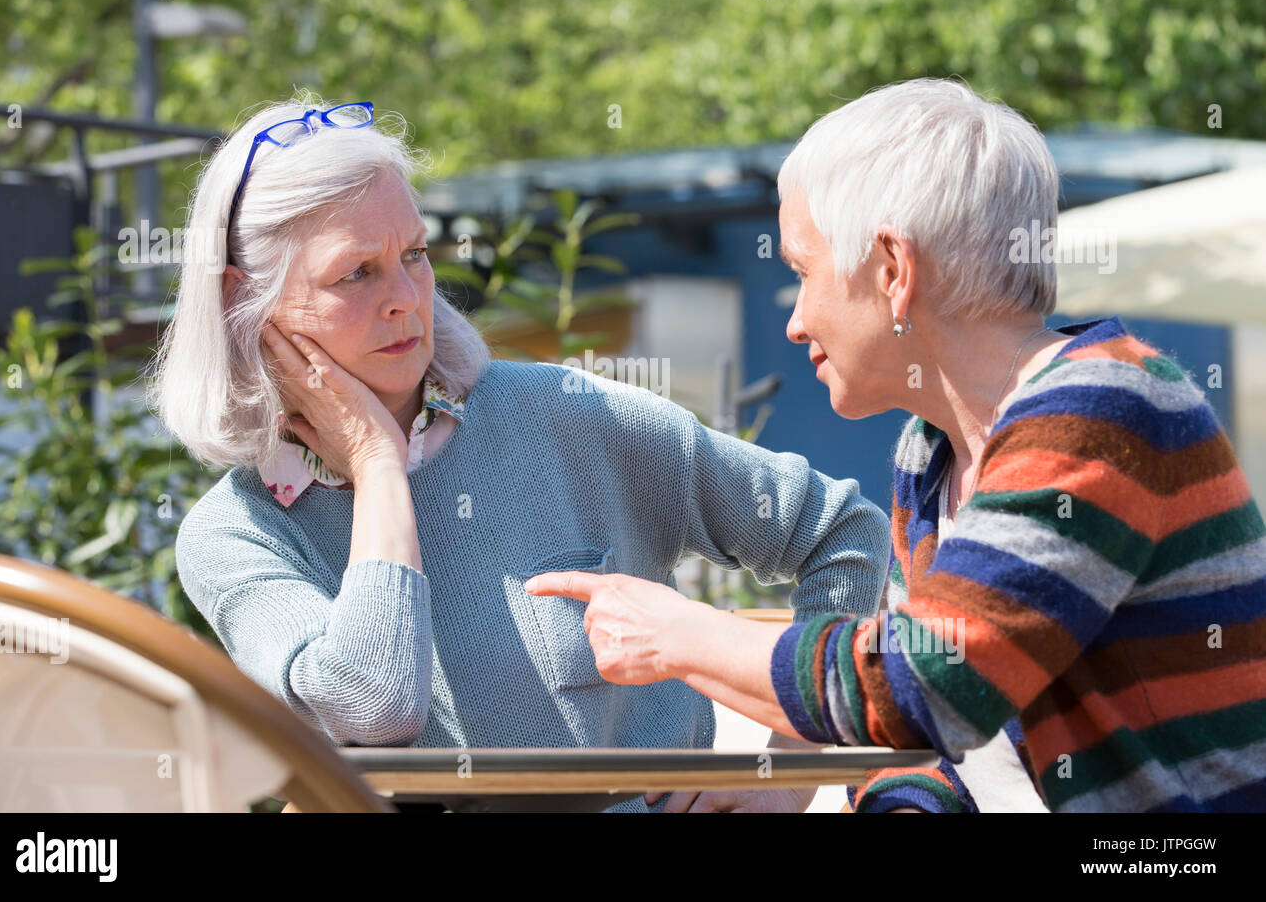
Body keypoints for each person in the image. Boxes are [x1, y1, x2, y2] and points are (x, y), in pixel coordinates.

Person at [529, 77, 1266, 812]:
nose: (794, 321)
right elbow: (933, 743)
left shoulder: (1102, 407)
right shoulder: (934, 451)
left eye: (803, 271)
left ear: (892, 270)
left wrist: (678, 633)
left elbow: (928, 686)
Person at [147, 92, 894, 813]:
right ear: (250, 301)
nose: (406, 296)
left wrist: (790, 768)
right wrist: (378, 464)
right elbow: (373, 707)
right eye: (357, 273)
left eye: (413, 254)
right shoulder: (235, 536)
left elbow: (840, 531)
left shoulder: (563, 414)